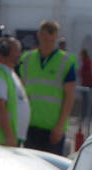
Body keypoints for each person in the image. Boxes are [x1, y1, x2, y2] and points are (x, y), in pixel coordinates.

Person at [18, 20, 76, 155]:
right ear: (38, 35)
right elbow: (20, 89)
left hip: (52, 128)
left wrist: (60, 126)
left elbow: (69, 96)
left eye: (51, 34)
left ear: (56, 37)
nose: (47, 38)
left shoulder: (65, 61)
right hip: (30, 125)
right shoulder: (27, 58)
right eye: (44, 34)